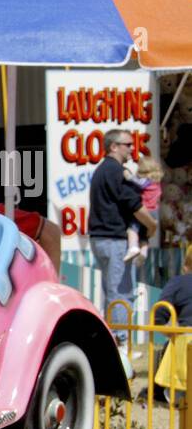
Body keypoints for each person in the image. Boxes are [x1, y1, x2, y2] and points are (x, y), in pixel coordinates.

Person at [88, 129, 158, 342]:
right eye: (128, 144)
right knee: (122, 293)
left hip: (100, 238)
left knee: (112, 292)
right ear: (114, 147)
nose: (132, 148)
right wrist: (152, 225)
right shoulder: (116, 171)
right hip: (114, 239)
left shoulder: (102, 170)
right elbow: (133, 203)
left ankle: (112, 338)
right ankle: (120, 341)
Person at [152, 246, 192, 402]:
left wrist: (171, 332)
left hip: (185, 344)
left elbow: (159, 314)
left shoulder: (179, 282)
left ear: (185, 266)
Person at [123, 156, 164, 263]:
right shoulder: (157, 183)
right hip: (154, 211)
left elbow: (140, 183)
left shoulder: (147, 181)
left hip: (145, 210)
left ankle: (133, 247)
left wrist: (129, 177)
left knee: (133, 229)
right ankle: (144, 252)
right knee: (144, 235)